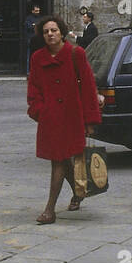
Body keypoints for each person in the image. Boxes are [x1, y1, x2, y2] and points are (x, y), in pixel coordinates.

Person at [27, 15, 101, 225]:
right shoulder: (38, 58)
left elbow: (87, 87)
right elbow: (33, 86)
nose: (50, 34)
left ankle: (50, 210)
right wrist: (38, 109)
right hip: (50, 118)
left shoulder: (76, 54)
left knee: (59, 160)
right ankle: (79, 192)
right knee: (61, 158)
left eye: (54, 30)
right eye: (46, 32)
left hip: (72, 116)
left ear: (61, 33)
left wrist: (90, 120)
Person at [24, 3, 43, 69]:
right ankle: (28, 71)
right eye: (36, 11)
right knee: (29, 56)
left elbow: (42, 26)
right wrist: (34, 26)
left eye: (38, 11)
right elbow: (28, 26)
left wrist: (34, 25)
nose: (38, 12)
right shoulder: (29, 18)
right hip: (31, 39)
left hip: (39, 39)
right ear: (32, 11)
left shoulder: (41, 18)